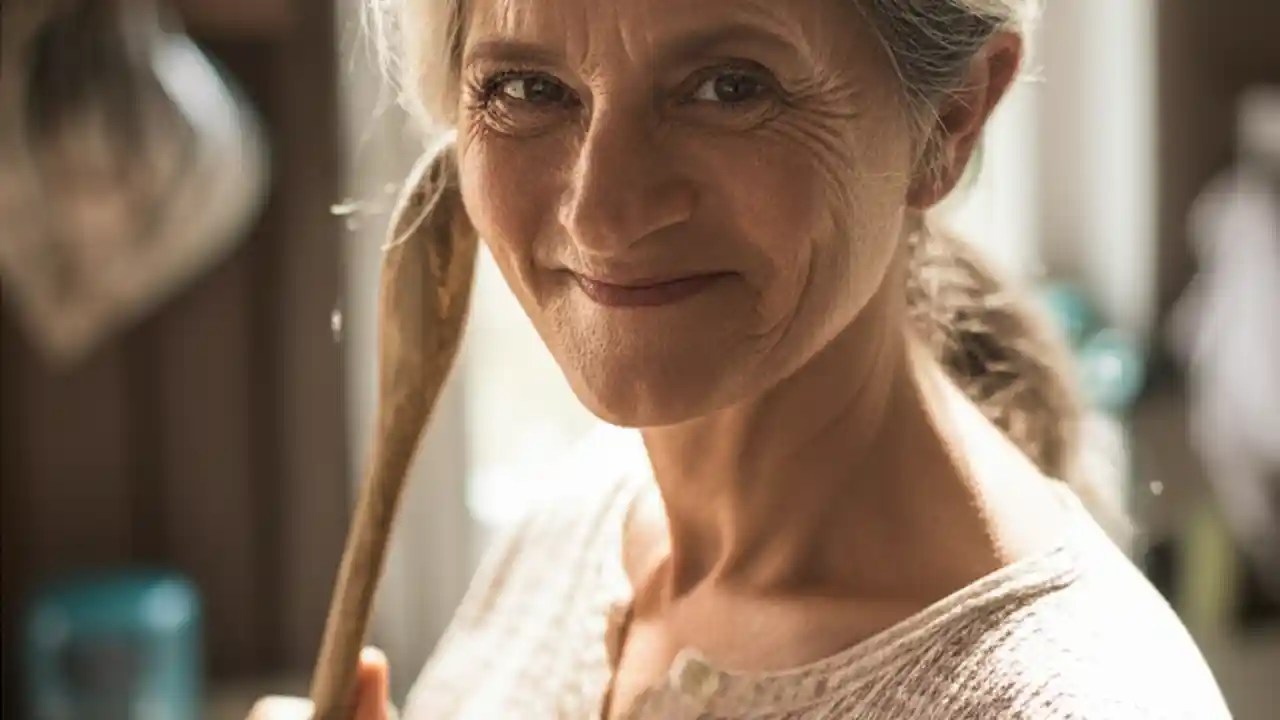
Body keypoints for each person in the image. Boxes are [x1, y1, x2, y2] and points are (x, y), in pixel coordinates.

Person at [253, 0, 1231, 717]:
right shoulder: (560, 541)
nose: (600, 212)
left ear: (949, 121)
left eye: (728, 87)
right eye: (527, 88)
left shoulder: (1074, 697)